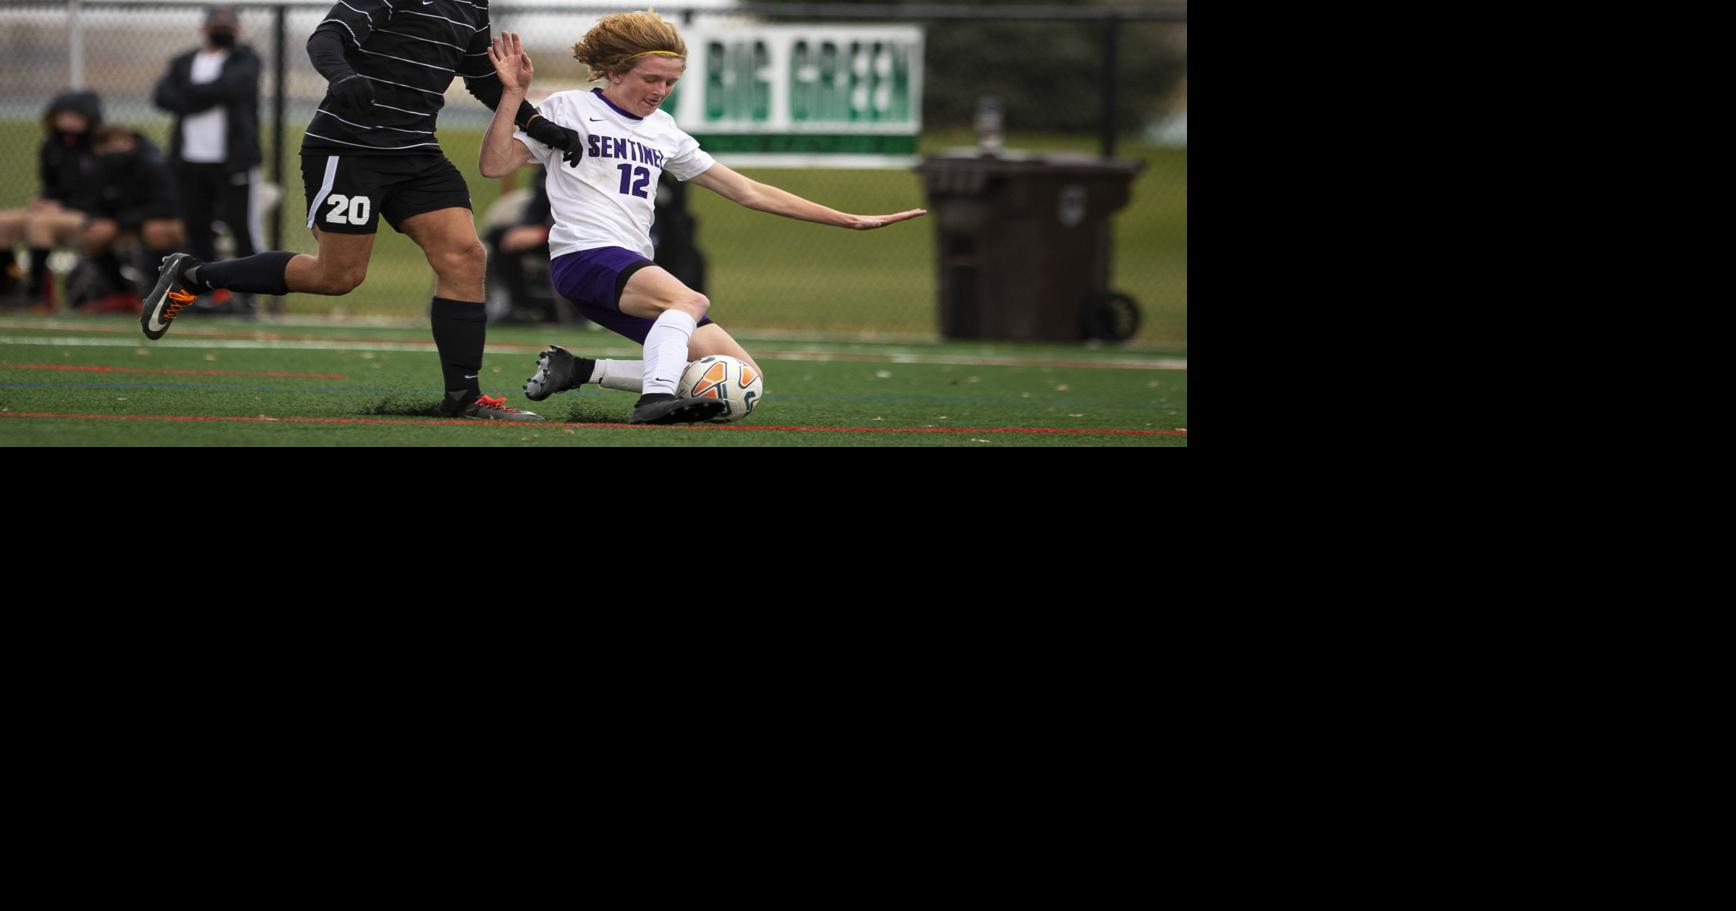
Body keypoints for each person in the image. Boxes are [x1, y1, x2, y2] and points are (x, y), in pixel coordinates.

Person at [137, 0, 582, 422]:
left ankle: (464, 397)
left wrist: (538, 124)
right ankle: (193, 275)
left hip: (417, 153)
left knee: (465, 256)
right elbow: (325, 38)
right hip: (349, 149)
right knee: (338, 277)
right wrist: (342, 77)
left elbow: (483, 78)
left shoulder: (472, 5)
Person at [480, 16, 926, 424]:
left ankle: (579, 369)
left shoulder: (663, 130)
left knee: (742, 373)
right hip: (584, 255)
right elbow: (494, 165)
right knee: (689, 300)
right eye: (650, 78)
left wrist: (847, 219)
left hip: (628, 267)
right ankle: (653, 401)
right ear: (615, 72)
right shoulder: (569, 107)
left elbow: (747, 191)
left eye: (670, 82)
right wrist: (514, 96)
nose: (660, 90)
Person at [151, 5, 263, 315]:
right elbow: (162, 96)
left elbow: (232, 88)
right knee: (197, 230)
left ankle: (248, 296)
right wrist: (204, 95)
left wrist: (187, 96)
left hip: (233, 161)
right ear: (204, 28)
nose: (222, 31)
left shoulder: (245, 60)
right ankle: (203, 296)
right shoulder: (184, 61)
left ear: (238, 30)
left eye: (228, 26)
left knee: (241, 229)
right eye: (217, 25)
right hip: (189, 161)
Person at [0, 91, 104, 310]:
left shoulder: (99, 147)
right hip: (57, 211)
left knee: (38, 224)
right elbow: (51, 186)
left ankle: (35, 294)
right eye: (63, 115)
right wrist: (43, 200)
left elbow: (102, 192)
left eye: (75, 116)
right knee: (3, 222)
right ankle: (10, 284)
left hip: (91, 213)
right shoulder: (51, 145)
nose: (68, 121)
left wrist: (62, 206)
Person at [70, 126, 185, 311]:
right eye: (106, 145)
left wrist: (118, 223)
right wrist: (99, 220)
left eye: (120, 142)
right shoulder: (101, 167)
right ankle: (121, 294)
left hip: (156, 221)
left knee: (155, 231)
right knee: (94, 235)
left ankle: (164, 292)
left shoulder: (152, 164)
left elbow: (165, 206)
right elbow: (93, 202)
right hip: (126, 222)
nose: (114, 149)